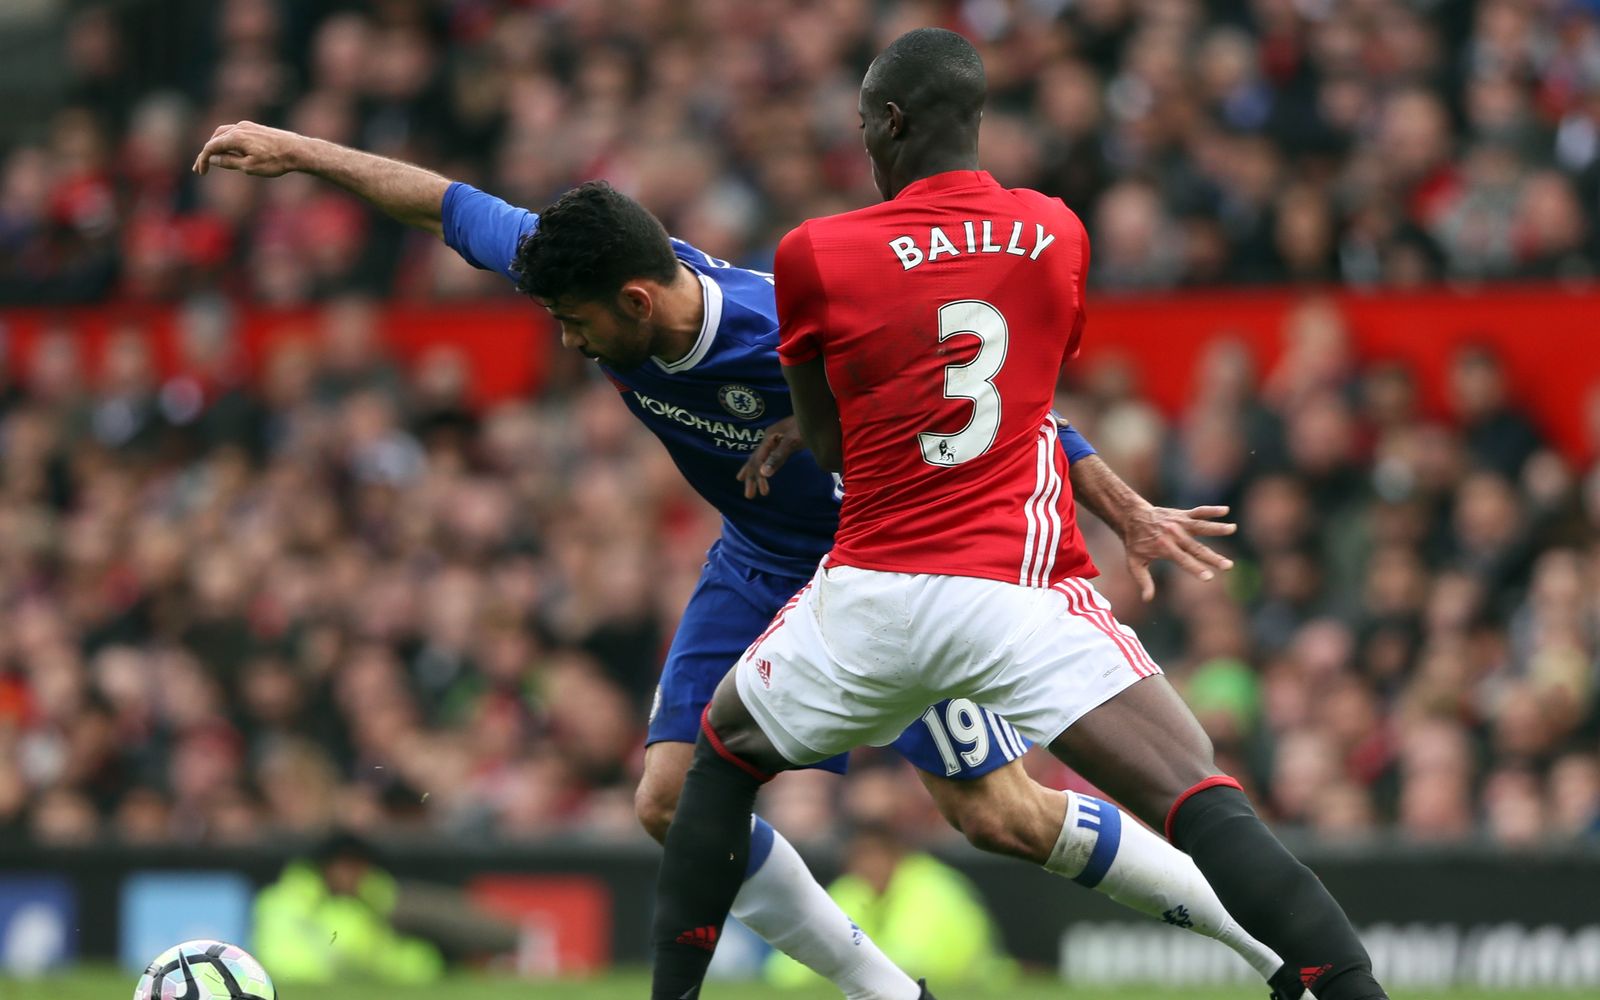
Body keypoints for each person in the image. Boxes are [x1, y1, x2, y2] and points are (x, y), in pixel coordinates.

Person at [193, 122, 1300, 1000]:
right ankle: (883, 991)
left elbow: (1019, 414)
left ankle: (1264, 954)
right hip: (760, 562)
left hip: (895, 564)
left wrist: (1122, 509)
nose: (569, 346)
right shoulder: (582, 262)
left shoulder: (781, 324)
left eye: (578, 325)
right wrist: (296, 151)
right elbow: (442, 204)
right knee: (668, 796)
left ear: (634, 298)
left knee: (1000, 816)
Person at [649, 27, 1390, 1000]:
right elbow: (1030, 398)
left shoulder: (815, 253)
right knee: (1197, 792)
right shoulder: (1055, 231)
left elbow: (828, 448)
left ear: (890, 122)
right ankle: (1345, 988)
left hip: (872, 592)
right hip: (1016, 589)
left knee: (716, 760)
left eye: (866, 124)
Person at [766, 821, 1015, 991]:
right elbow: (789, 966)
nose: (867, 867)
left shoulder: (932, 889)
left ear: (897, 855)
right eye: (859, 858)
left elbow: (912, 966)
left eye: (874, 856)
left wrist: (835, 972)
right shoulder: (853, 887)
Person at [252, 831, 444, 984]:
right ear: (324, 866)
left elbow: (409, 963)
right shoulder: (284, 900)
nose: (350, 874)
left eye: (358, 866)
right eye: (343, 865)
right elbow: (284, 963)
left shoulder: (374, 899)